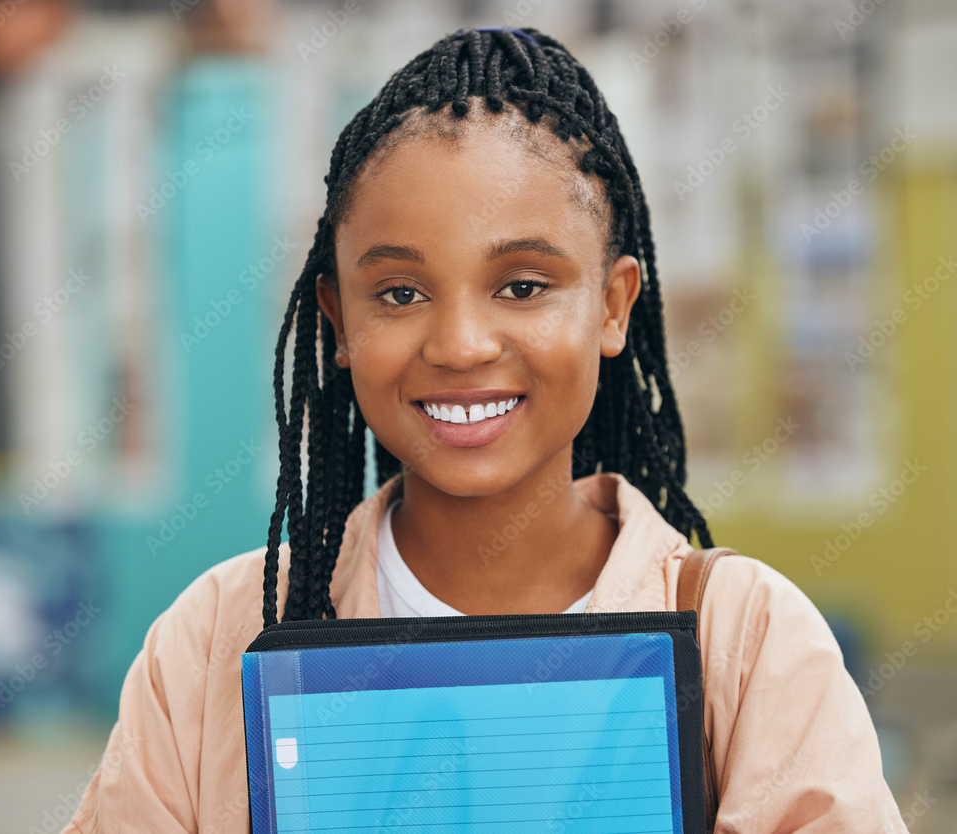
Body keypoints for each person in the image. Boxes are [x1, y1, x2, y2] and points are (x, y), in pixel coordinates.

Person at [64, 27, 909, 833]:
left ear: (613, 306)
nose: (462, 344)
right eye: (400, 293)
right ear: (339, 322)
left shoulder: (749, 641)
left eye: (524, 285)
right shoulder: (215, 637)